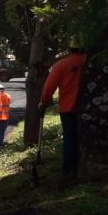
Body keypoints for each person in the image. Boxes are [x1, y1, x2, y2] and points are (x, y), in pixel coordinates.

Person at [39, 39, 87, 185]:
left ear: (69, 49)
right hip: (87, 110)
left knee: (69, 139)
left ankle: (68, 171)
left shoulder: (61, 65)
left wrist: (43, 102)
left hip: (68, 108)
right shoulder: (91, 62)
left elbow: (49, 87)